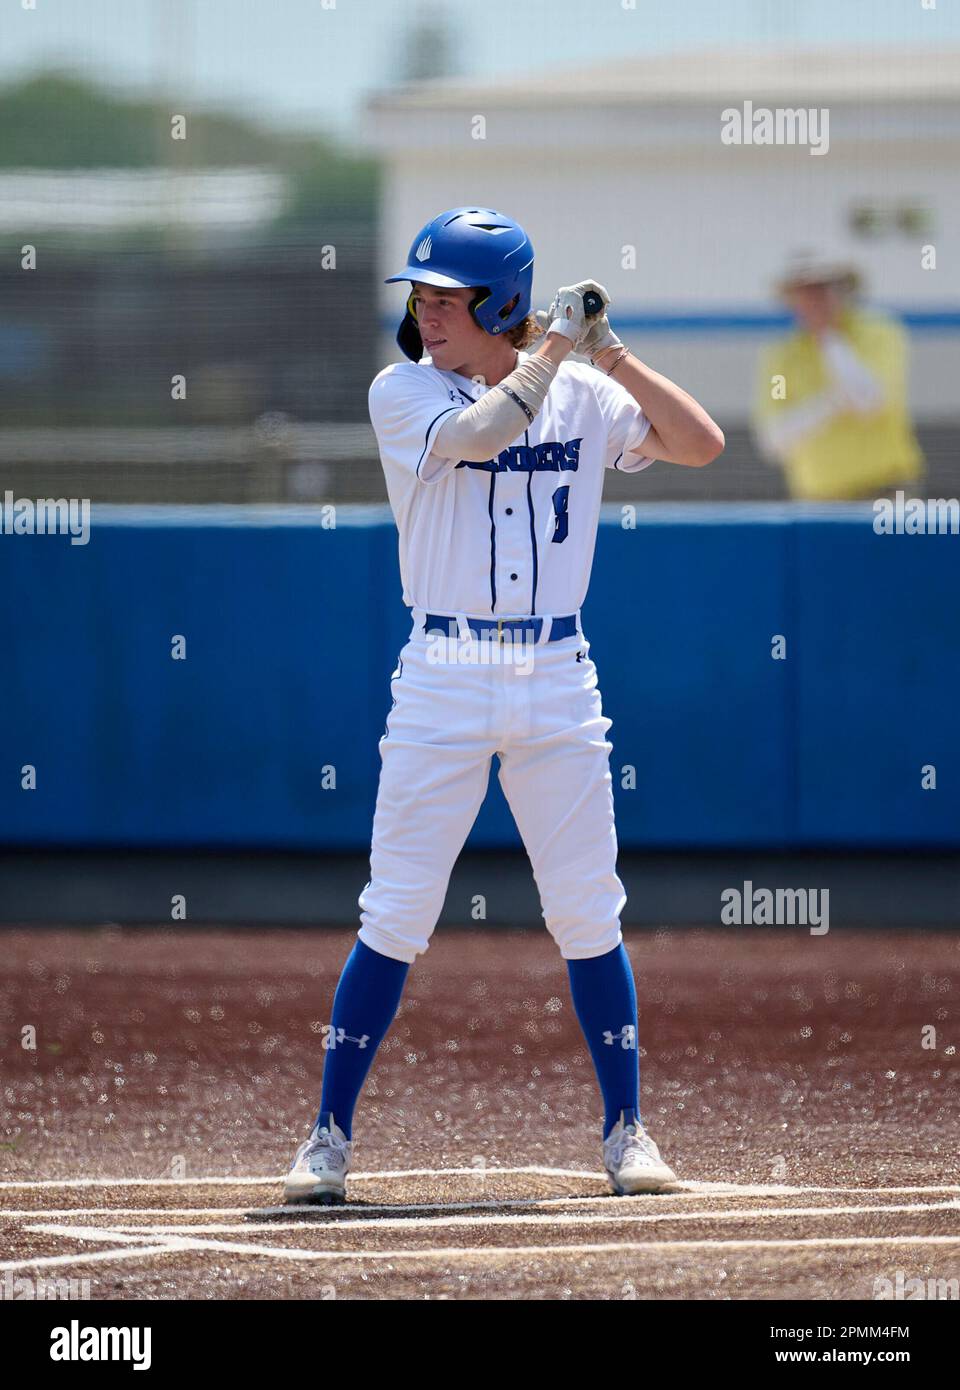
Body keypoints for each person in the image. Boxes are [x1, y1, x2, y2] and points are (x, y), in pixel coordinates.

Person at [283, 206, 723, 1205]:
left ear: (503, 303)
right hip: (442, 671)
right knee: (395, 911)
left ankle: (627, 1130)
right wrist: (558, 344)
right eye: (423, 296)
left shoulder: (577, 388)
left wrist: (610, 350)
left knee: (586, 907)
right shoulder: (403, 390)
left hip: (559, 675)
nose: (428, 312)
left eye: (449, 298)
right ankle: (327, 1136)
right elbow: (487, 431)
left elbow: (701, 442)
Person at [752, 250, 924, 500]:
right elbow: (774, 439)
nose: (814, 300)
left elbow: (869, 400)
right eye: (804, 291)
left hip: (888, 491)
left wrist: (829, 338)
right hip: (818, 500)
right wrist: (834, 402)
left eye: (822, 289)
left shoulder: (879, 333)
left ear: (842, 290)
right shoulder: (781, 356)